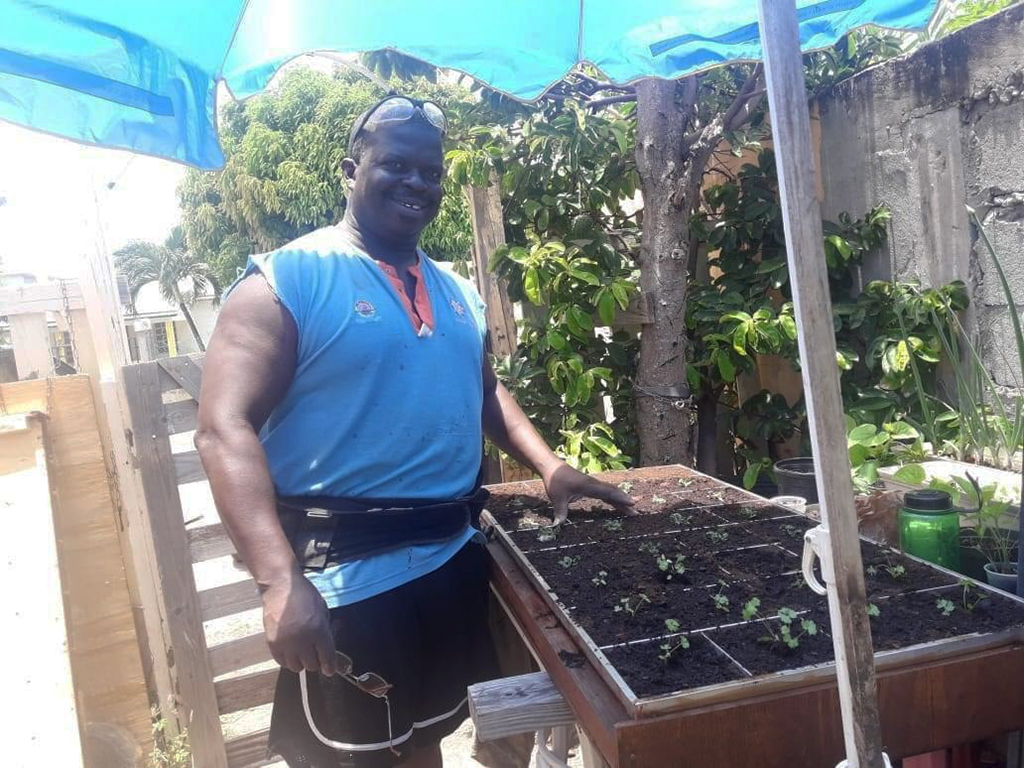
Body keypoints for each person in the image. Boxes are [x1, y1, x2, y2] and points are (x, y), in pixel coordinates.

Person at [195, 94, 635, 768]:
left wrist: (549, 466)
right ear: (350, 170)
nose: (417, 182)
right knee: (357, 758)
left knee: (425, 739)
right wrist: (278, 582)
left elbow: (482, 388)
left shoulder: (458, 291)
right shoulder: (286, 282)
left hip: (449, 558)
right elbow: (222, 429)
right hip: (345, 581)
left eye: (430, 172)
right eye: (396, 164)